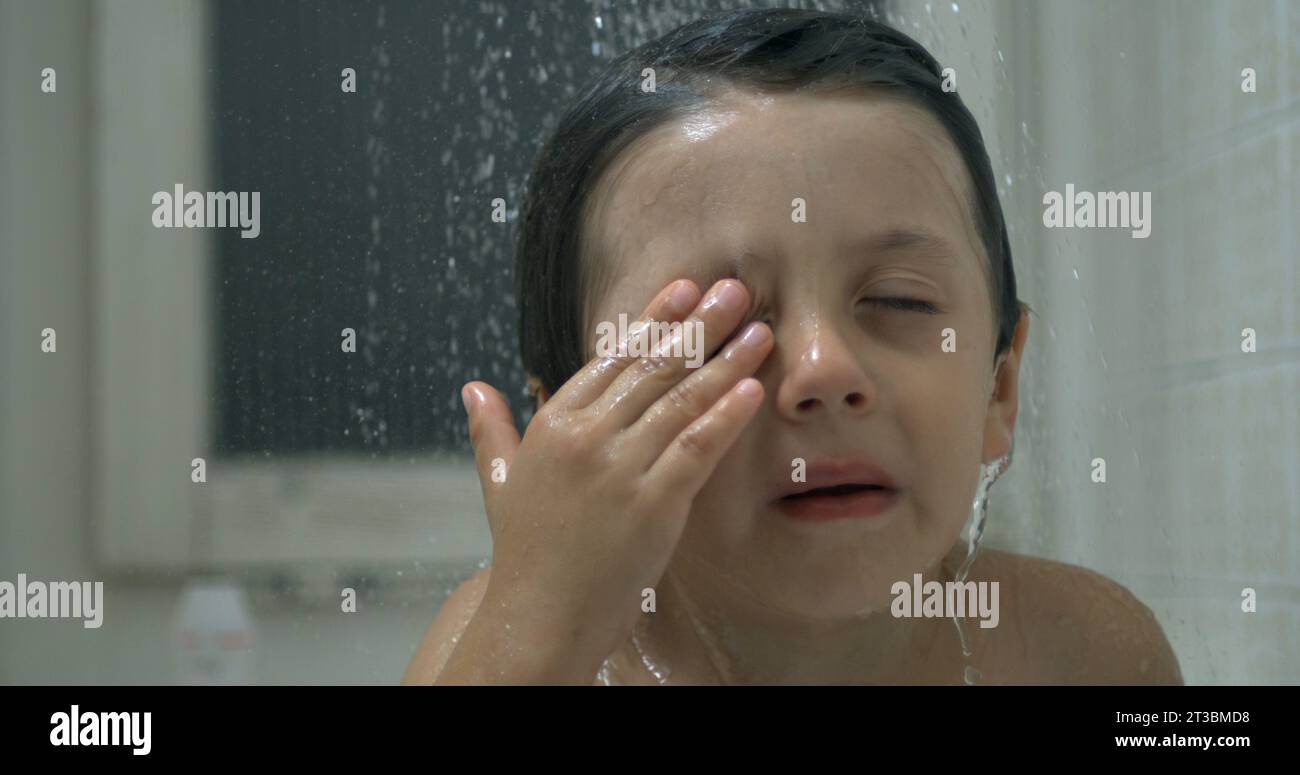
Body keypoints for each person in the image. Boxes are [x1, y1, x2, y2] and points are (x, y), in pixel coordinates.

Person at [403, 8, 1182, 685]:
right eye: (718, 329)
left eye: (898, 301)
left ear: (999, 390)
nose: (825, 369)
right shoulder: (507, 647)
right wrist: (534, 637)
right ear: (565, 440)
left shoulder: (1080, 652)